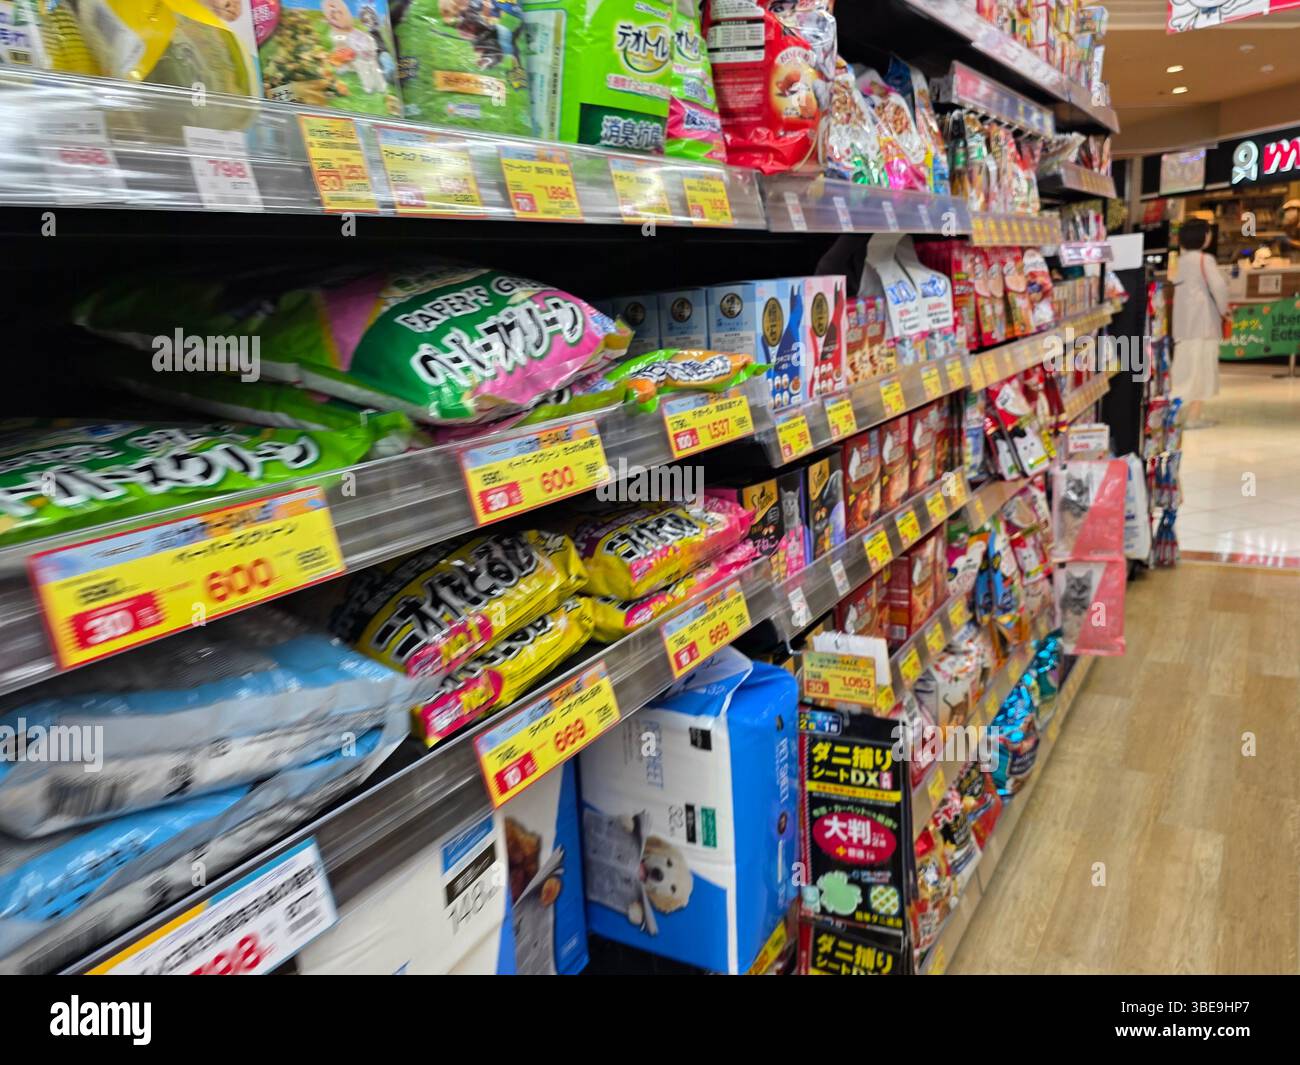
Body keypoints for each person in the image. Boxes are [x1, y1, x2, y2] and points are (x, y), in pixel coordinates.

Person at [1171, 218, 1230, 429]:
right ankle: (1193, 417)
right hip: (1203, 323)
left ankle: (1174, 416)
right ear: (1204, 236)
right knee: (1202, 370)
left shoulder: (1180, 261)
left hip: (1182, 325)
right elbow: (1219, 287)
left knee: (1184, 370)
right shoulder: (1205, 260)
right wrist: (1224, 310)